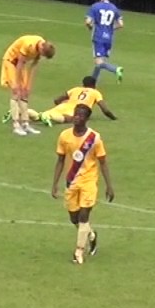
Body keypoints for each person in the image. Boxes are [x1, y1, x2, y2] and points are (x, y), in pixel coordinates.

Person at [50, 104, 115, 264]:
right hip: (72, 181)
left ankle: (78, 252)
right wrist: (54, 183)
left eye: (80, 115)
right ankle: (91, 235)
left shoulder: (94, 138)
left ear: (86, 119)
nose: (76, 118)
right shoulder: (64, 136)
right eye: (75, 114)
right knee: (74, 218)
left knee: (84, 216)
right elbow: (60, 160)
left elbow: (103, 162)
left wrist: (109, 185)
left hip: (89, 182)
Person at [0, 34, 56, 136]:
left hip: (21, 65)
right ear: (42, 47)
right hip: (11, 62)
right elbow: (19, 63)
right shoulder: (28, 45)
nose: (41, 55)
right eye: (42, 54)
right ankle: (16, 124)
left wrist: (28, 86)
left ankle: (25, 124)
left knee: (24, 94)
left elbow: (34, 66)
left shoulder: (41, 45)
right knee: (16, 91)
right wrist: (17, 83)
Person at [30, 75, 118, 125]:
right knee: (68, 119)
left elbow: (57, 100)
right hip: (77, 110)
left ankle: (25, 112)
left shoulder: (75, 89)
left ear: (83, 84)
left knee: (38, 117)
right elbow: (105, 109)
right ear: (94, 85)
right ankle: (49, 117)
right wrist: (113, 118)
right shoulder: (95, 92)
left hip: (63, 105)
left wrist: (60, 106)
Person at [85, 0, 124, 82]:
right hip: (109, 38)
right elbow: (121, 24)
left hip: (98, 37)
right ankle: (93, 83)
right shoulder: (114, 8)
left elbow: (88, 21)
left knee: (98, 62)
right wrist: (110, 29)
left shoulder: (95, 6)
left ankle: (116, 69)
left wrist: (90, 27)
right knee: (100, 61)